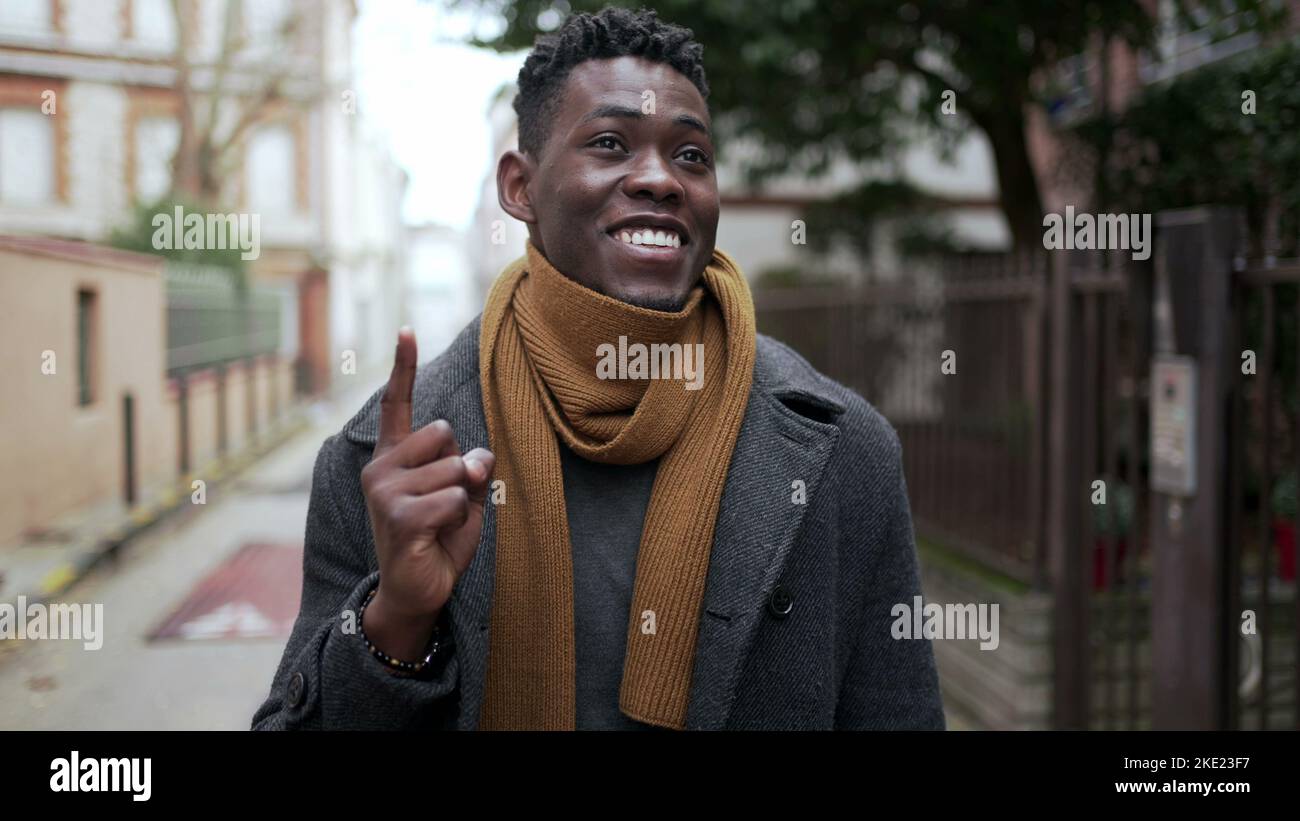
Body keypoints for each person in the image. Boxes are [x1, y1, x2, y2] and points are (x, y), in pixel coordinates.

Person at [252, 6, 943, 731]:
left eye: (691, 156)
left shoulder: (845, 451)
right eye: (610, 143)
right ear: (520, 188)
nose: (660, 179)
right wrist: (394, 621)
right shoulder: (386, 467)